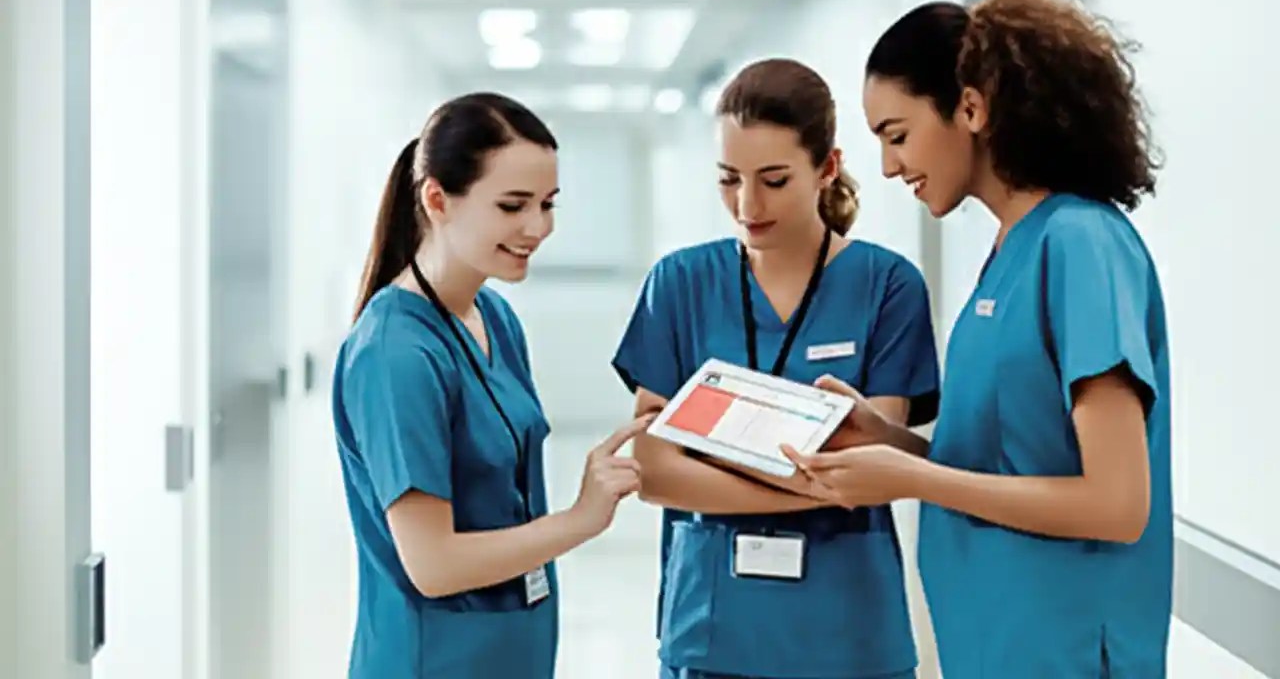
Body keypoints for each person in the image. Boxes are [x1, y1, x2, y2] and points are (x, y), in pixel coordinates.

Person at [786, 0, 1171, 678]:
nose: (888, 166)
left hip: (1067, 651)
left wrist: (910, 476)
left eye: (896, 135)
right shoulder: (1008, 252)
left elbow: (1118, 503)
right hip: (994, 645)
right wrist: (887, 439)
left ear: (971, 107)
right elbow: (1008, 457)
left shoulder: (1081, 243)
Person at [613, 58, 942, 679]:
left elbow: (870, 467)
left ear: (827, 169)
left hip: (848, 634)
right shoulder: (680, 284)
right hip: (712, 632)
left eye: (773, 179)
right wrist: (814, 484)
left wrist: (713, 461)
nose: (747, 204)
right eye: (728, 179)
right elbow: (653, 470)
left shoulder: (887, 286)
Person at [332, 92, 652, 678]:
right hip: (433, 661)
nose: (537, 228)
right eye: (512, 206)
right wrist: (579, 520)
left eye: (548, 204)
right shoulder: (395, 353)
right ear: (437, 200)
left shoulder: (494, 318)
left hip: (512, 651)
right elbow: (432, 564)